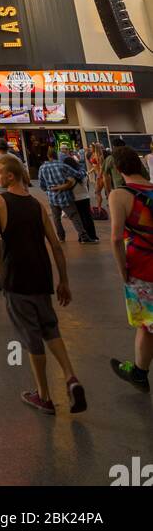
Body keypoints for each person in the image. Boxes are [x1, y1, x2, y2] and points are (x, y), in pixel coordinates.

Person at [0, 153, 86, 416]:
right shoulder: (37, 204)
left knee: (31, 336)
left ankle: (44, 395)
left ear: (9, 176)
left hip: (16, 275)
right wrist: (63, 280)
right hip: (41, 275)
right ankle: (71, 376)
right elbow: (55, 244)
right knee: (50, 327)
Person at [107, 146, 153, 393]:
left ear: (117, 168)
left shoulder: (119, 195)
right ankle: (138, 371)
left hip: (142, 266)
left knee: (147, 324)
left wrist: (122, 268)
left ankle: (139, 373)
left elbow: (115, 238)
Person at [38, 147, 91, 244]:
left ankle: (61, 237)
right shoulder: (61, 165)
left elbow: (42, 185)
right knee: (74, 216)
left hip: (52, 198)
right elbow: (78, 174)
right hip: (65, 196)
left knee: (56, 218)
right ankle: (83, 237)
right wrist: (83, 171)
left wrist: (49, 190)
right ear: (56, 156)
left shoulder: (42, 168)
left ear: (48, 156)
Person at [59, 147, 99, 243]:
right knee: (88, 218)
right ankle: (93, 236)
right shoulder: (83, 174)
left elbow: (65, 187)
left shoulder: (70, 177)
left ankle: (83, 237)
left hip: (76, 199)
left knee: (80, 219)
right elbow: (88, 186)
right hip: (85, 197)